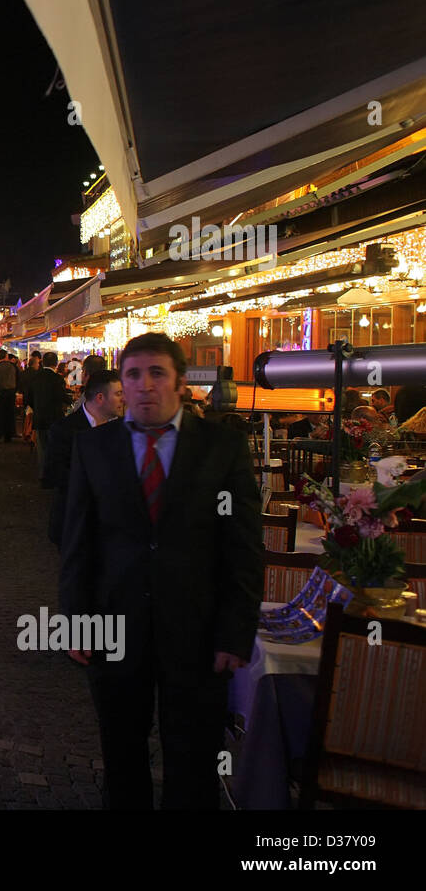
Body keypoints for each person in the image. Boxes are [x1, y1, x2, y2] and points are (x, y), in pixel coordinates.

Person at [59, 332, 262, 810]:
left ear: (180, 382)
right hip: (115, 625)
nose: (145, 385)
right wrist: (75, 621)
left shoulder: (222, 448)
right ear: (119, 386)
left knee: (193, 762)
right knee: (121, 754)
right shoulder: (93, 448)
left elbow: (243, 548)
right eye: (133, 375)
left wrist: (235, 634)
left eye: (157, 373)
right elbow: (77, 542)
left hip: (197, 629)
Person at [45, 369, 123, 547]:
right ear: (100, 397)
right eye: (118, 394)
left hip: (114, 529)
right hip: (75, 523)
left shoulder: (124, 430)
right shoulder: (65, 429)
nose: (123, 399)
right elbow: (54, 474)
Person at [30, 352, 69, 484]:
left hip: (39, 417)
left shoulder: (35, 377)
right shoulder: (57, 379)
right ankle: (52, 475)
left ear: (43, 362)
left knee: (41, 448)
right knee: (54, 447)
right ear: (56, 363)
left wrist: (37, 408)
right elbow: (62, 397)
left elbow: (28, 397)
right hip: (54, 417)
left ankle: (43, 475)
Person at [0, 350, 18, 442]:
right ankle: (8, 435)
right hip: (11, 393)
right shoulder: (13, 366)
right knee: (9, 414)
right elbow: (18, 379)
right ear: (6, 356)